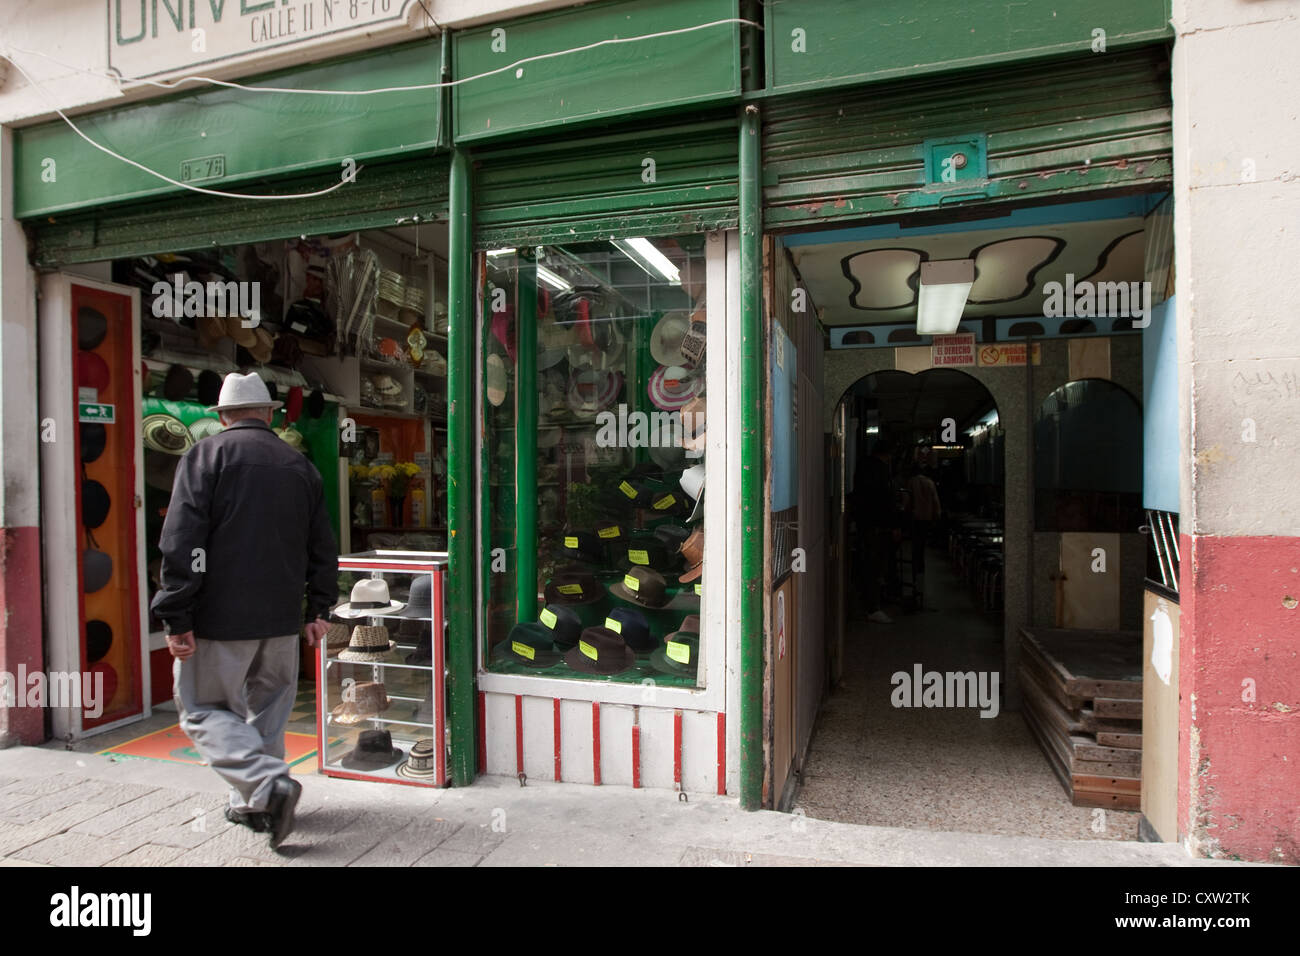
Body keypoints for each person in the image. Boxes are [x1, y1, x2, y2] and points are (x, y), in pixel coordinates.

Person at [151, 372, 338, 849]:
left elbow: (180, 541)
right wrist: (319, 609)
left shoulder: (206, 456)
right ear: (269, 412)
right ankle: (261, 807)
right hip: (280, 620)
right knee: (269, 714)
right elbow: (322, 547)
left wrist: (176, 613)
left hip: (219, 619)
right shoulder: (299, 465)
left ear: (222, 416)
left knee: (204, 709)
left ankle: (264, 787)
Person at [853, 437, 900, 624]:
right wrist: (894, 524)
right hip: (878, 526)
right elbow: (885, 499)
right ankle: (873, 606)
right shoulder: (880, 471)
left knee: (868, 565)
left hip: (864, 523)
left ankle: (870, 603)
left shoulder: (862, 466)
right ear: (887, 454)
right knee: (876, 565)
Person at [906, 465, 942, 598]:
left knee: (916, 550)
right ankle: (920, 579)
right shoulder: (930, 483)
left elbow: (908, 503)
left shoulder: (911, 482)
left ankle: (917, 579)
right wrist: (936, 517)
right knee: (921, 549)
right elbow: (936, 503)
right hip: (927, 519)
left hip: (915, 520)